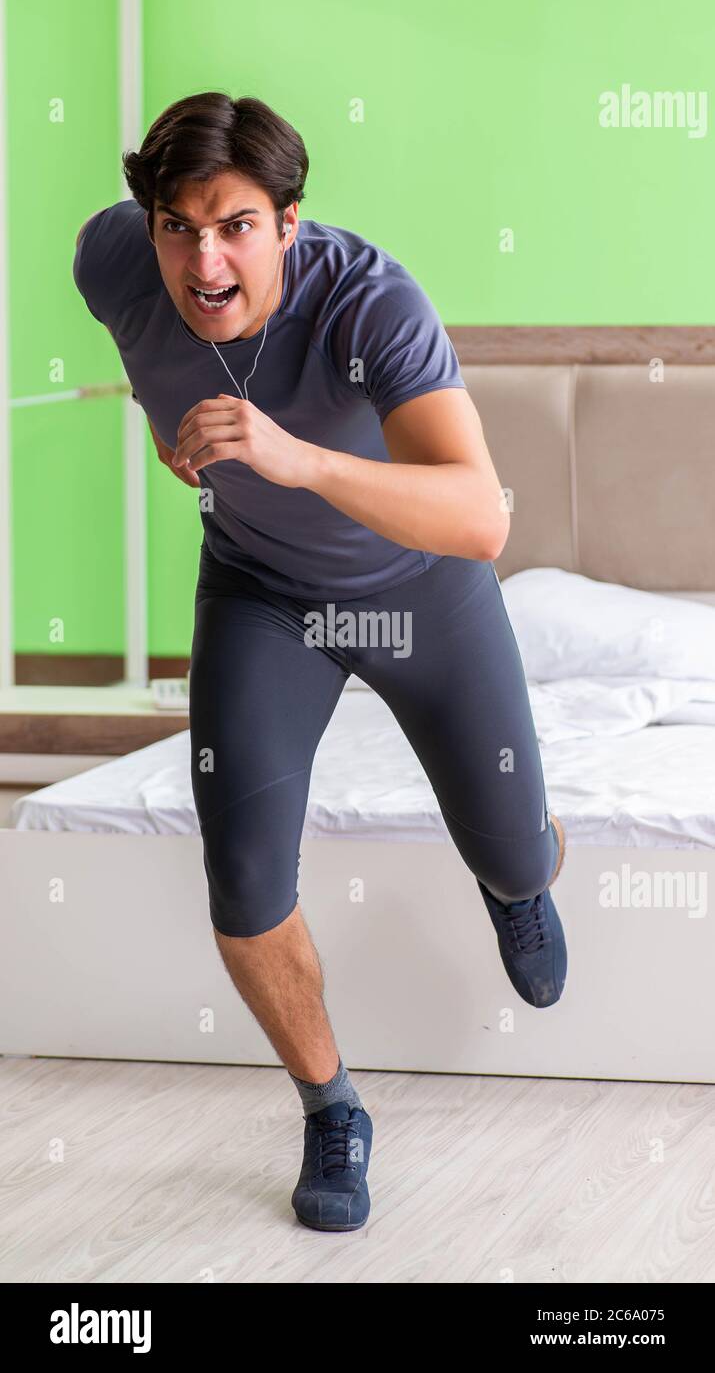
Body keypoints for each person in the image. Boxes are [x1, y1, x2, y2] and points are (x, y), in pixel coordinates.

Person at [73, 91, 566, 1235]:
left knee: (508, 841)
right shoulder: (112, 259)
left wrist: (297, 459)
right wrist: (178, 440)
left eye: (236, 226)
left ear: (290, 223)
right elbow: (154, 367)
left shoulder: (371, 303)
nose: (204, 260)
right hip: (262, 595)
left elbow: (480, 516)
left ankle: (518, 883)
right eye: (179, 227)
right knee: (244, 880)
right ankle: (330, 1105)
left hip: (421, 591)